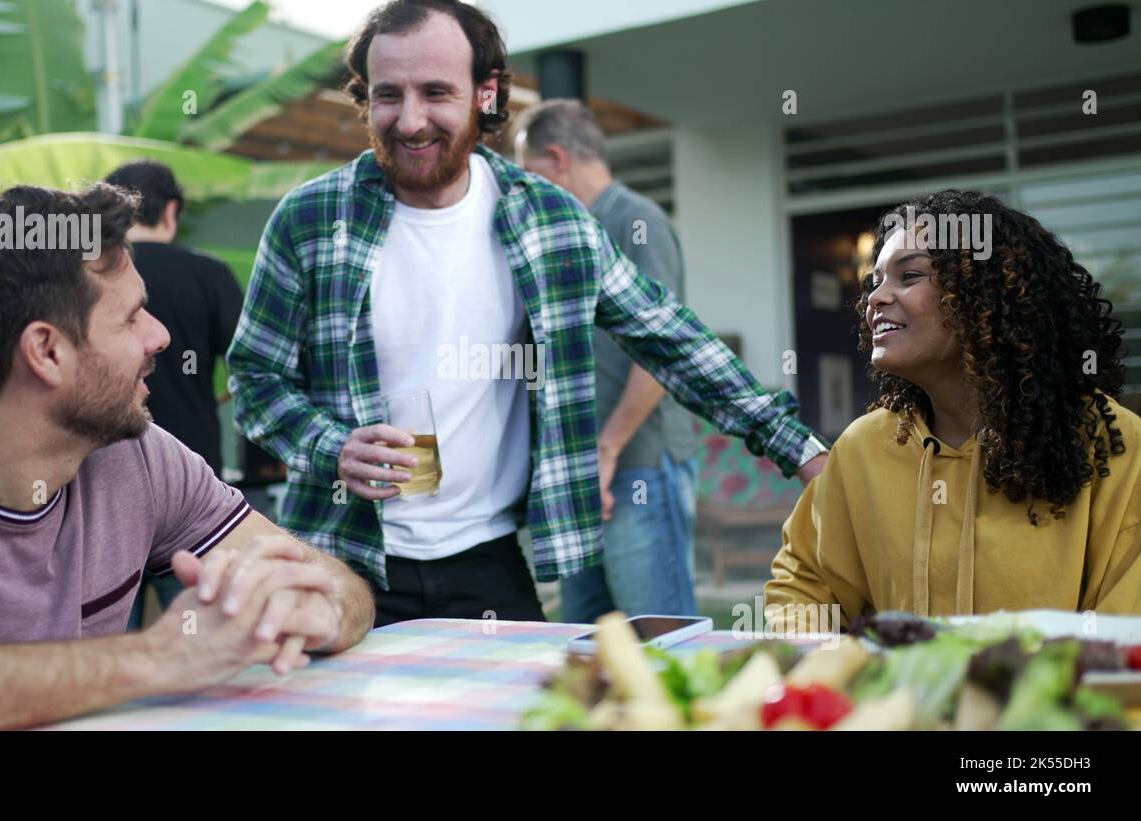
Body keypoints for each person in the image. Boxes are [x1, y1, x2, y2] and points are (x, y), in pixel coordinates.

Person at [228, 0, 828, 627]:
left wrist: (805, 453)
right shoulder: (309, 220)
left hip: (489, 560)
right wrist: (332, 447)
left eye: (435, 92)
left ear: (485, 95)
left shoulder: (551, 220)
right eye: (387, 95)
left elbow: (670, 339)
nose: (409, 121)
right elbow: (255, 381)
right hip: (338, 557)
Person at [0, 183, 374, 729]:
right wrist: (159, 657)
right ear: (47, 352)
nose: (160, 336)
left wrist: (310, 607)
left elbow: (333, 582)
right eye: (131, 318)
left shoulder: (139, 460)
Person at [766, 189, 1141, 627]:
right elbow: (805, 584)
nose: (876, 299)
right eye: (876, 282)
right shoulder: (863, 447)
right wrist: (834, 671)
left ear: (986, 293)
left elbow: (1125, 628)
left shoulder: (1112, 443)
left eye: (909, 277)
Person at [514, 99, 702, 623]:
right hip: (588, 472)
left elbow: (664, 353)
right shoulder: (569, 232)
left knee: (660, 636)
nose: (528, 191)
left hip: (638, 465)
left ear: (557, 159)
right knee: (588, 636)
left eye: (531, 174)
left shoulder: (636, 220)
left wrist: (608, 450)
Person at [104, 160, 245, 628]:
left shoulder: (90, 280)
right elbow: (250, 367)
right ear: (172, 213)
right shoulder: (209, 274)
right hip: (191, 490)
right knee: (201, 641)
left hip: (102, 487)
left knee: (103, 645)